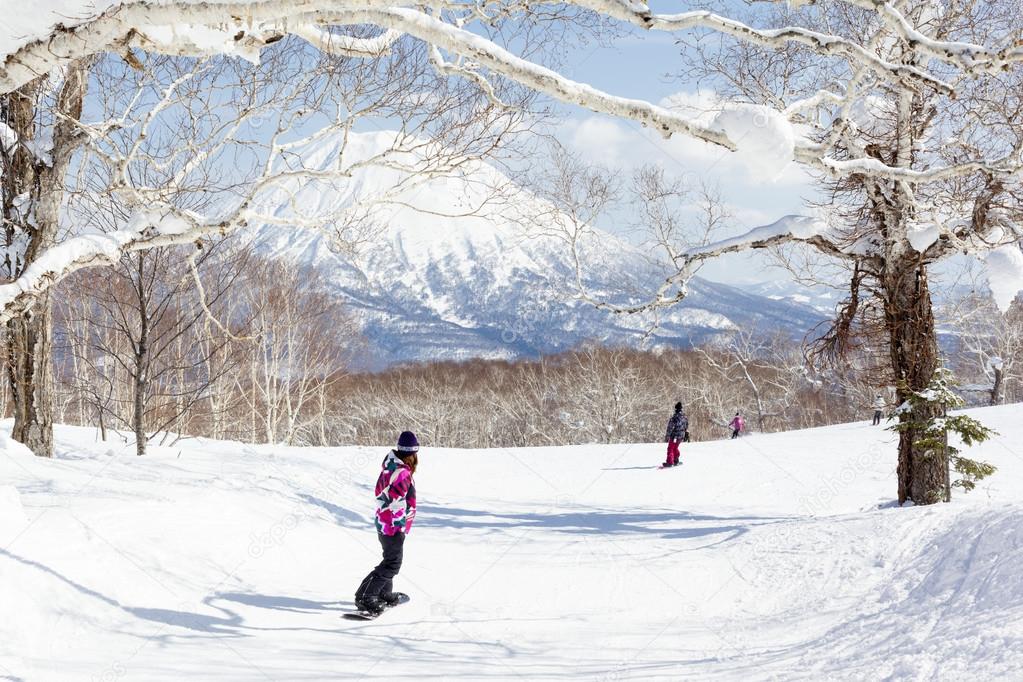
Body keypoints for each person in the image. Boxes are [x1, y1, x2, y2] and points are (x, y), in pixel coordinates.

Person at [354, 430, 419, 615]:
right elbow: (395, 501)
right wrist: (398, 525)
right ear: (413, 454)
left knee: (389, 560)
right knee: (392, 564)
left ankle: (383, 593)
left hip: (386, 521)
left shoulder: (390, 467)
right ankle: (365, 596)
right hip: (392, 524)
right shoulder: (401, 473)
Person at [663, 402, 688, 467]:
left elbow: (670, 427)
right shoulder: (684, 417)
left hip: (674, 436)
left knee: (670, 448)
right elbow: (686, 426)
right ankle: (675, 460)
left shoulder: (674, 417)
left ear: (676, 409)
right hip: (681, 436)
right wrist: (685, 434)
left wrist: (667, 436)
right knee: (675, 447)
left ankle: (670, 462)